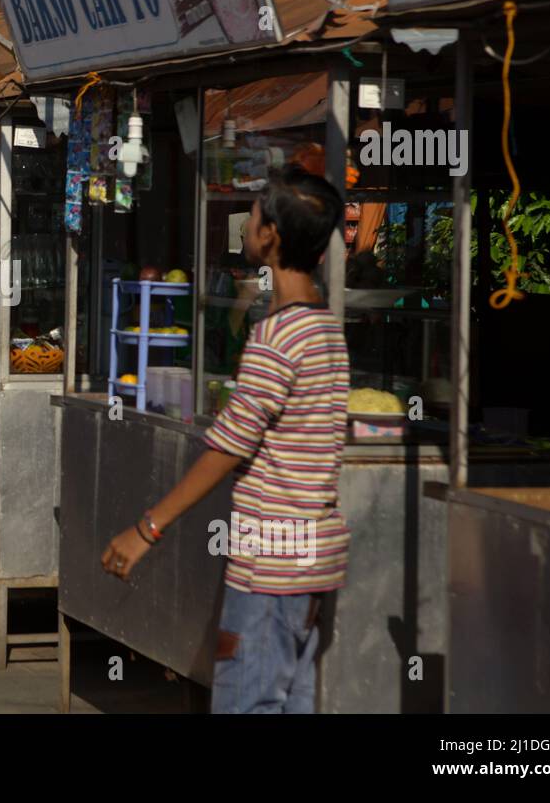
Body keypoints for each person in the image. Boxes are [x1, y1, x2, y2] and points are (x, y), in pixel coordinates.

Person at [101, 169, 350, 714]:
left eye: (257, 212)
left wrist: (148, 528)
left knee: (248, 703)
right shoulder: (326, 328)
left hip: (270, 565)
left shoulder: (276, 336)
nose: (248, 221)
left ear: (273, 236)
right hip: (312, 565)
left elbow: (228, 447)